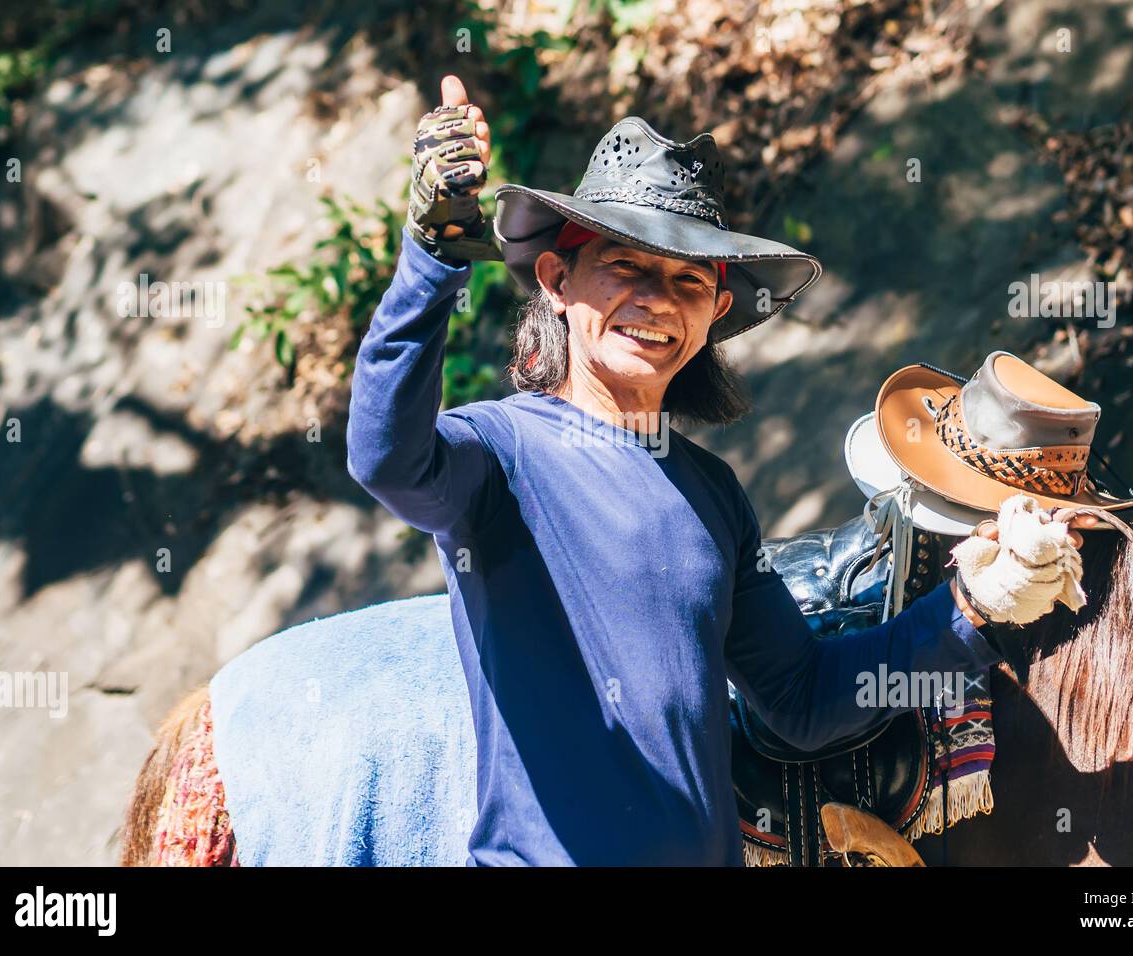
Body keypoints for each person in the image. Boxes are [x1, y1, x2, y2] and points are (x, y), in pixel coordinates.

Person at [345, 75, 1089, 866]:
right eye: (625, 267)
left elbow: (802, 699)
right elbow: (385, 455)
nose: (658, 302)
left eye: (689, 281)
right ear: (557, 282)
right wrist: (433, 253)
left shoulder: (711, 494)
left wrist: (974, 605)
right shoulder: (497, 454)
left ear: (716, 313)